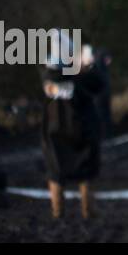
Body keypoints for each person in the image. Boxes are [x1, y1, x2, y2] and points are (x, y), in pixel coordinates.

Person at [40, 44, 105, 221]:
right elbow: (99, 83)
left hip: (55, 128)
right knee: (84, 169)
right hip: (81, 128)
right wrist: (88, 65)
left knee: (56, 170)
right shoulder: (80, 79)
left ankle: (58, 211)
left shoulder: (50, 79)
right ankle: (87, 210)